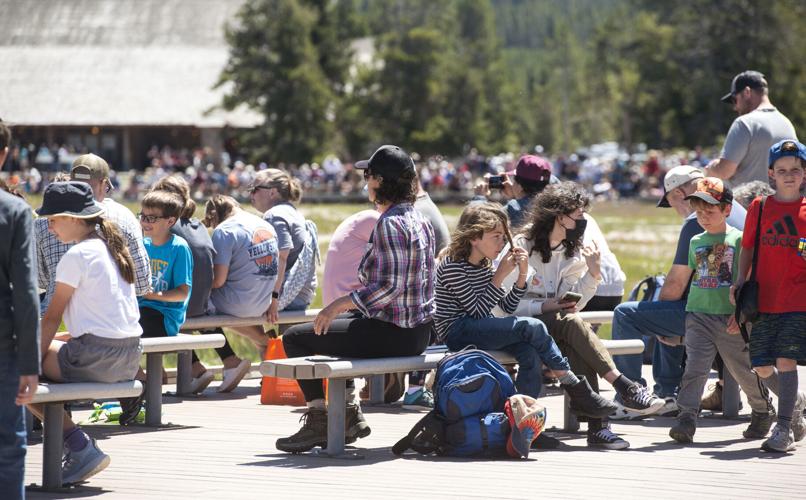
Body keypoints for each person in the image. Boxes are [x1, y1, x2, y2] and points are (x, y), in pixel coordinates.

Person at [276, 145, 435, 453]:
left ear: (380, 181)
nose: (365, 183)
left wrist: (340, 303)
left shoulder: (389, 223)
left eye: (368, 176)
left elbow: (389, 288)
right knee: (332, 328)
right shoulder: (420, 220)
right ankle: (348, 414)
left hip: (393, 335)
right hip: (418, 333)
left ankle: (320, 420)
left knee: (295, 337)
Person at [435, 202, 617, 447]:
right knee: (532, 327)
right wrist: (500, 275)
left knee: (529, 352)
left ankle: (525, 426)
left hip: (481, 326)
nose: (502, 243)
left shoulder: (485, 265)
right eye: (496, 237)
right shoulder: (451, 265)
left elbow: (507, 307)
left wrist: (521, 276)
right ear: (474, 238)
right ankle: (573, 384)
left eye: (503, 236)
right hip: (457, 330)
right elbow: (476, 311)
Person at [503, 182, 664, 450]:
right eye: (578, 216)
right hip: (518, 326)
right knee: (572, 325)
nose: (583, 222)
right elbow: (504, 306)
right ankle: (621, 394)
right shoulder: (522, 246)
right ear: (559, 216)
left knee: (573, 329)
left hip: (554, 326)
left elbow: (572, 303)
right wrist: (543, 307)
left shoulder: (570, 249)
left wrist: (594, 273)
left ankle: (604, 421)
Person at [668, 178, 801, 444]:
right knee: (695, 367)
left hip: (731, 317)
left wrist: (740, 314)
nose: (704, 217)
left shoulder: (739, 240)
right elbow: (695, 275)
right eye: (699, 211)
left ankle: (766, 410)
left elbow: (748, 276)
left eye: (711, 211)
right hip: (698, 313)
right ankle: (686, 418)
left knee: (745, 371)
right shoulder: (695, 240)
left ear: (727, 209)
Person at [27, 182, 142, 486]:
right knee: (44, 350)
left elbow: (51, 317)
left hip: (96, 357)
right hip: (130, 356)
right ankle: (75, 443)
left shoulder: (76, 256)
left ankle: (78, 445)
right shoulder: (113, 250)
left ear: (74, 219)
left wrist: (28, 363)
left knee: (11, 370)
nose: (49, 227)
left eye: (52, 219)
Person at [610, 165, 747, 418]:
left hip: (714, 315)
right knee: (666, 306)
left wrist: (661, 323)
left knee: (629, 313)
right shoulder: (735, 208)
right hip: (744, 311)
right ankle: (667, 392)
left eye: (671, 200)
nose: (674, 208)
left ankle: (632, 398)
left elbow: (676, 285)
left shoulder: (697, 221)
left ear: (682, 193)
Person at [734, 140, 806, 452]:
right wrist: (740, 280)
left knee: (785, 359)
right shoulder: (759, 207)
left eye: (795, 170)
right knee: (761, 365)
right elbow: (748, 246)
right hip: (763, 298)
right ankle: (796, 404)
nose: (789, 175)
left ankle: (784, 427)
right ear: (771, 174)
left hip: (797, 299)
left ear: (804, 173)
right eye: (782, 170)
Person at [35, 154, 151, 315]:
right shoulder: (125, 217)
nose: (51, 228)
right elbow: (141, 285)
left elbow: (42, 280)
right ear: (104, 184)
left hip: (59, 315)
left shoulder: (44, 222)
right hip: (113, 317)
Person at [119, 191, 193, 422]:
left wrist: (153, 294)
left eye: (152, 218)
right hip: (140, 309)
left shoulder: (179, 248)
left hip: (164, 315)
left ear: (170, 221)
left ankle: (139, 387)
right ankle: (136, 385)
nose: (145, 222)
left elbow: (183, 292)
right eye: (143, 216)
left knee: (126, 334)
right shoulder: (141, 244)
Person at [0, 118, 40, 500]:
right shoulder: (13, 211)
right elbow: (26, 292)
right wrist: (31, 363)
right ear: (4, 155)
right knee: (8, 448)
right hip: (3, 348)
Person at [151, 175, 219, 394]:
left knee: (148, 310)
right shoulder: (196, 224)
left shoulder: (168, 228)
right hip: (203, 302)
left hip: (184, 303)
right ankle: (199, 367)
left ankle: (155, 374)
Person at [203, 195, 278, 392]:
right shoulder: (264, 225)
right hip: (264, 300)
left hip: (240, 303)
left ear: (213, 215)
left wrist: (195, 286)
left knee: (197, 306)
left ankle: (234, 358)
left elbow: (218, 280)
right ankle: (264, 351)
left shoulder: (225, 231)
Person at [249, 169, 318, 326]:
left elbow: (281, 257)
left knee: (223, 307)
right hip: (300, 293)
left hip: (286, 295)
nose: (251, 195)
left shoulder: (274, 215)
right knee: (290, 347)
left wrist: (274, 298)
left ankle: (263, 343)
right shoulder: (293, 212)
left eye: (255, 189)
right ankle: (265, 345)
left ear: (273, 192)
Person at [705, 70, 798, 186]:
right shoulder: (787, 124)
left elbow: (724, 171)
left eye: (735, 100)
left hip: (749, 202)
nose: (735, 107)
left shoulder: (744, 123)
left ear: (747, 92)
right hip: (779, 202)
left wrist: (712, 167)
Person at [473, 154, 553, 228]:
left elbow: (477, 225)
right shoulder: (552, 206)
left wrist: (479, 198)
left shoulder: (513, 208)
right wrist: (516, 196)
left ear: (520, 186)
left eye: (514, 180)